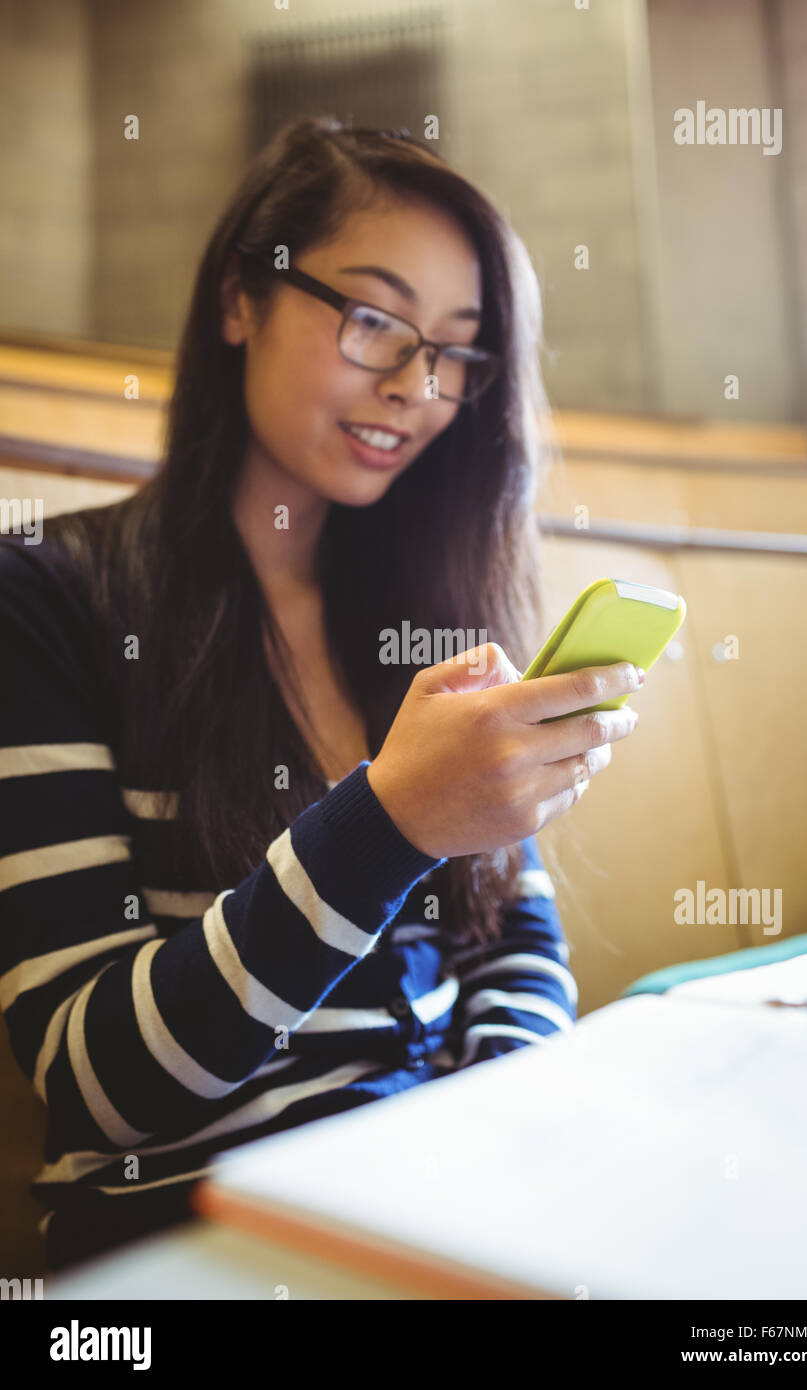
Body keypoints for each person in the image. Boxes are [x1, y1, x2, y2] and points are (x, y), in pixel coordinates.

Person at [0, 116, 640, 1273]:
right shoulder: (45, 597)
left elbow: (514, 945)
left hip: (441, 1209)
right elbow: (101, 1081)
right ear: (241, 298)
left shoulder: (417, 609)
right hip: (192, 1232)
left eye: (455, 349)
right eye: (373, 321)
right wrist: (389, 822)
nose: (417, 387)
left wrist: (493, 1143)